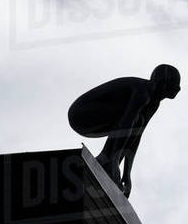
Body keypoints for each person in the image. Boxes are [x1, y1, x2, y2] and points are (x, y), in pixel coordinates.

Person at [67, 64, 181, 197]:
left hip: (98, 116)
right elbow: (125, 124)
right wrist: (114, 161)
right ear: (161, 85)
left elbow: (137, 136)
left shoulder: (153, 103)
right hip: (81, 114)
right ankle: (107, 160)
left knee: (137, 121)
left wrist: (127, 173)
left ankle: (108, 161)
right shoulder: (142, 92)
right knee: (133, 119)